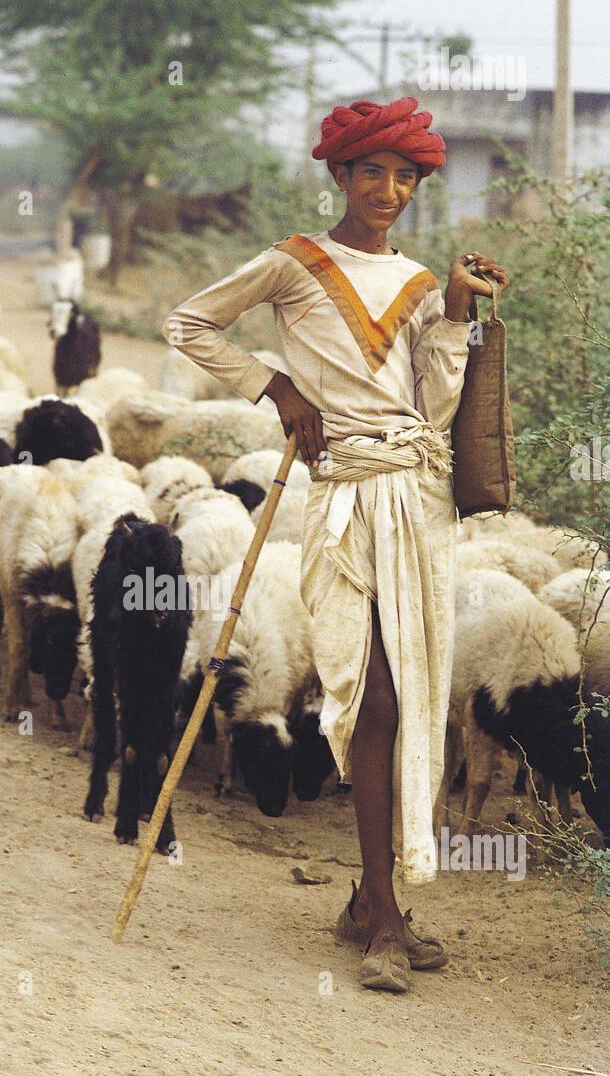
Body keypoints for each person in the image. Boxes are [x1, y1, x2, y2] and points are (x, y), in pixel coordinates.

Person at [162, 96, 510, 993]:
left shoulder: (425, 281)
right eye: (371, 173)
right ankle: (385, 919)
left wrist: (459, 313)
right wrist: (274, 386)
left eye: (405, 177)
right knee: (371, 696)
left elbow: (431, 409)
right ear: (339, 176)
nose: (388, 190)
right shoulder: (293, 264)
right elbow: (190, 322)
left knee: (418, 697)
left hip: (420, 500)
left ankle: (373, 899)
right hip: (346, 500)